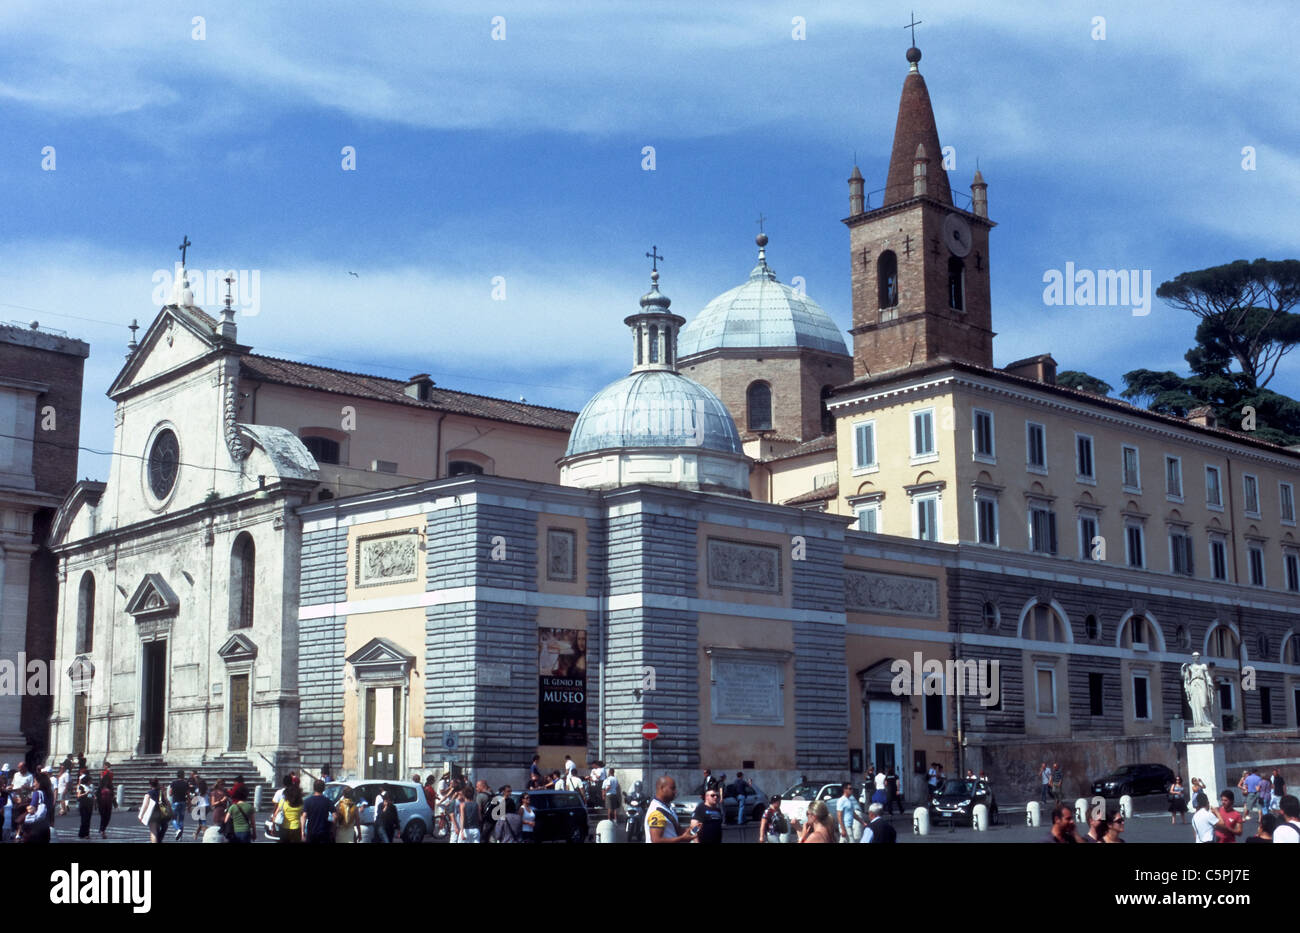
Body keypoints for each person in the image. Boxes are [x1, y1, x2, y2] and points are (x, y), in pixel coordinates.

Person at [645, 776, 692, 844]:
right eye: (672, 788)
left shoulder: (667, 808)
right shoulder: (656, 812)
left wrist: (693, 830)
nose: (675, 791)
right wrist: (681, 839)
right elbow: (656, 840)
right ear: (662, 788)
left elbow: (677, 830)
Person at [302, 779, 333, 843]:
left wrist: (302, 832)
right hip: (324, 832)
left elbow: (304, 816)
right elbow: (335, 816)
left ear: (314, 788)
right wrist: (333, 829)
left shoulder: (307, 801)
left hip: (311, 832)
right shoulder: (327, 801)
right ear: (324, 789)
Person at [167, 768, 189, 840]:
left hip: (175, 802)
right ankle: (180, 837)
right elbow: (188, 794)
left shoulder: (173, 783)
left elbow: (170, 793)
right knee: (181, 820)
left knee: (174, 819)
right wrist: (189, 804)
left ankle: (177, 829)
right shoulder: (186, 783)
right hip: (183, 802)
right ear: (183, 775)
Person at [144, 778, 168, 843]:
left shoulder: (149, 793)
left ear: (150, 785)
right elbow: (164, 803)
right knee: (163, 827)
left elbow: (145, 805)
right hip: (161, 813)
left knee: (153, 832)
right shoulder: (160, 793)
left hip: (153, 813)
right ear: (157, 784)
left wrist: (142, 814)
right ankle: (159, 840)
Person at [75, 767, 94, 839]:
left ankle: (87, 834)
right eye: (90, 780)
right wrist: (86, 793)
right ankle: (82, 833)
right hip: (83, 804)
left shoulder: (90, 787)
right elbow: (78, 795)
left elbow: (91, 794)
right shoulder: (81, 786)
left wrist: (93, 797)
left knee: (88, 819)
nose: (91, 782)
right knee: (84, 819)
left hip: (89, 804)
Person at [97, 773, 115, 838]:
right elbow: (97, 795)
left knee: (107, 818)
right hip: (102, 804)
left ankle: (102, 829)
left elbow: (113, 796)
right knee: (103, 817)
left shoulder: (111, 787)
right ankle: (102, 831)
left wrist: (115, 803)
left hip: (109, 804)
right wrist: (97, 804)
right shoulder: (100, 787)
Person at [191, 775, 209, 840]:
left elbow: (195, 799)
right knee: (201, 822)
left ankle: (205, 835)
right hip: (207, 806)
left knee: (202, 822)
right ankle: (196, 834)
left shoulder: (197, 790)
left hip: (200, 807)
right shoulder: (207, 790)